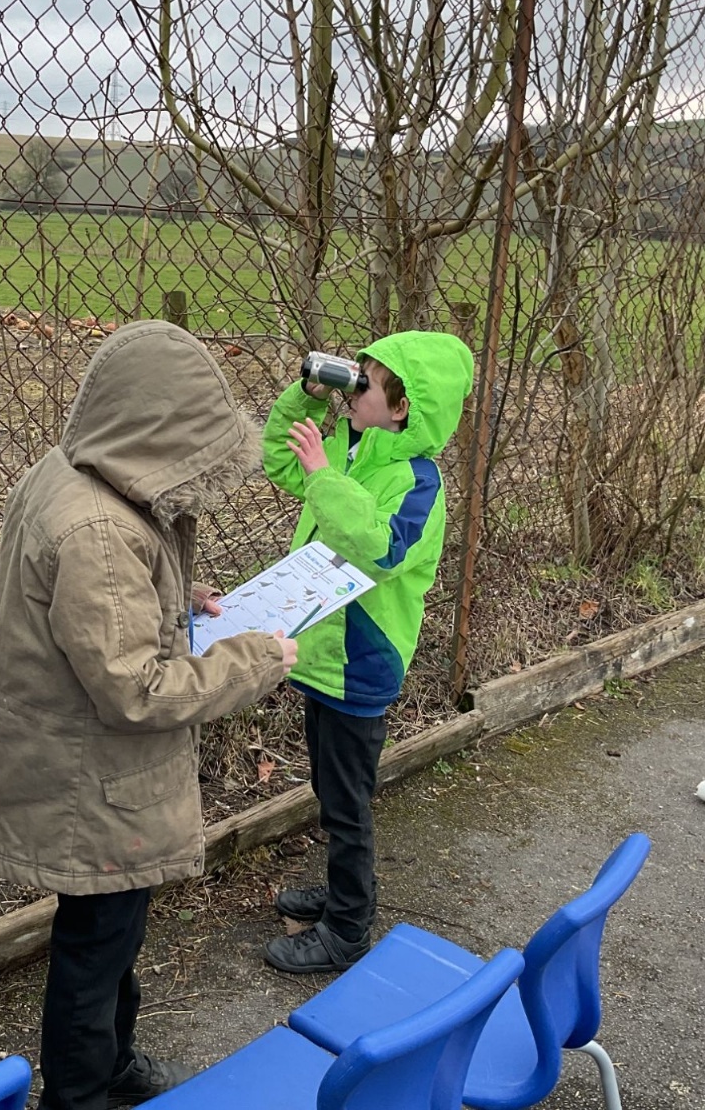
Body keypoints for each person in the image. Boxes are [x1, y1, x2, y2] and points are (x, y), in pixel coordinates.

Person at [0, 321, 298, 1110]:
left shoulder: (83, 477)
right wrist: (257, 659)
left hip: (92, 773)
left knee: (113, 939)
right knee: (94, 951)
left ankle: (113, 1066)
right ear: (158, 437)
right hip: (92, 786)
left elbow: (116, 609)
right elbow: (137, 686)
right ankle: (79, 1093)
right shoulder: (100, 529)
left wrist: (183, 600)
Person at [261, 330, 474, 974]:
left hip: (362, 661)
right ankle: (343, 893)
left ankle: (348, 927)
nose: (354, 387)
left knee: (347, 801)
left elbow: (376, 546)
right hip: (322, 652)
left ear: (404, 407)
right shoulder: (354, 450)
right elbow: (278, 462)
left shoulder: (417, 483)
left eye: (367, 381)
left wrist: (326, 478)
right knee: (330, 789)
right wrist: (303, 399)